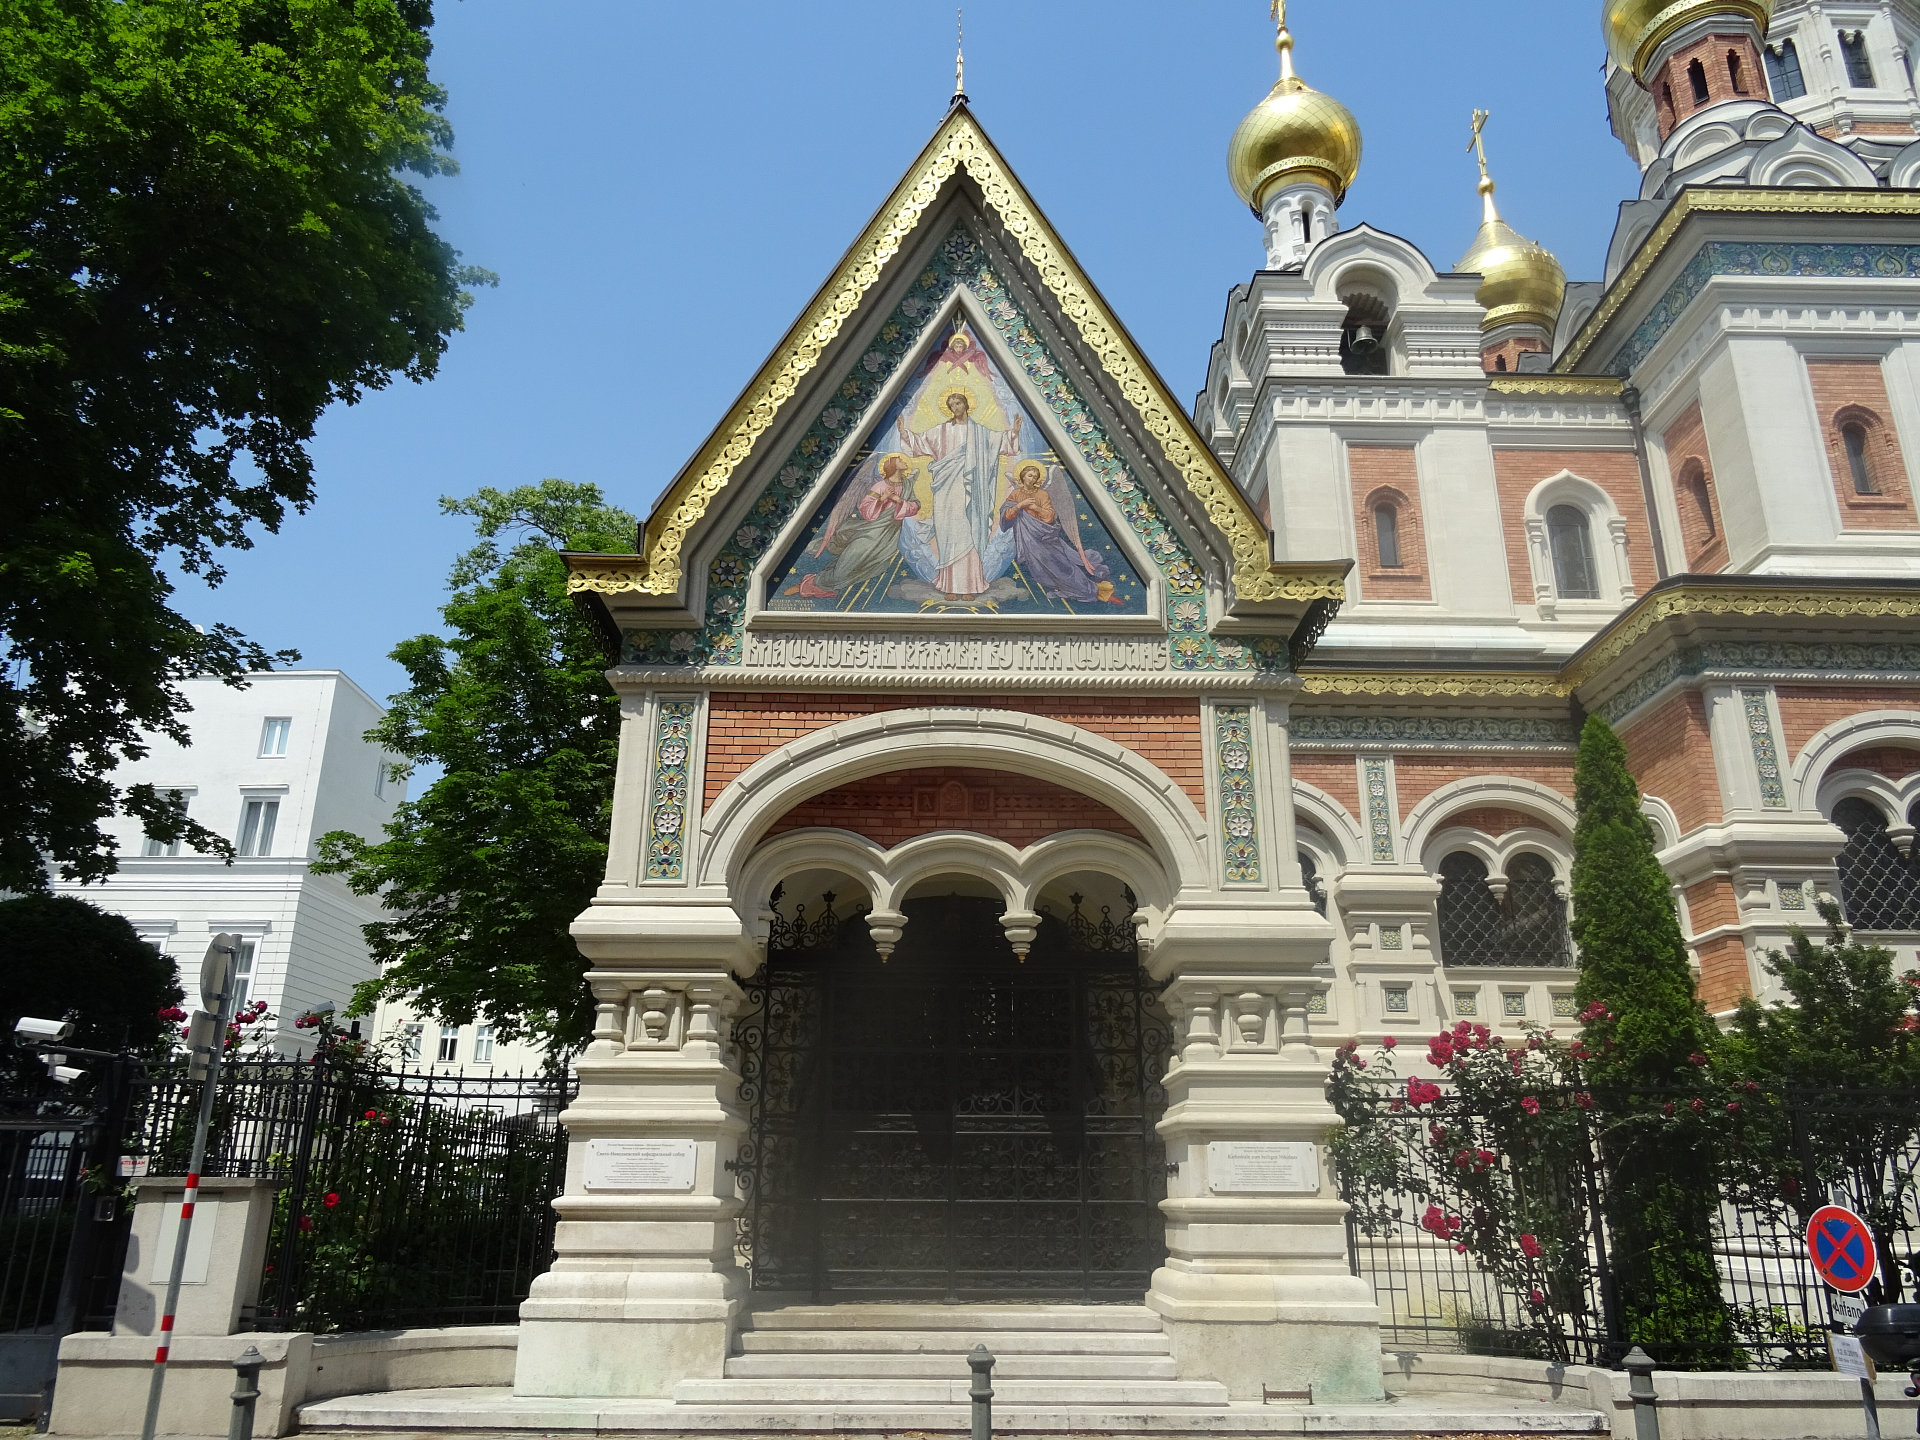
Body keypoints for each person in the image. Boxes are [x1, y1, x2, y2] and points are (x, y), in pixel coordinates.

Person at [897, 389, 1022, 598]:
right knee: (949, 533)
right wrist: (904, 432)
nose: (955, 408)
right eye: (951, 405)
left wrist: (1014, 433)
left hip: (973, 491)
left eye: (958, 403)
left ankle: (970, 586)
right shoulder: (941, 431)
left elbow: (999, 442)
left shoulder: (980, 432)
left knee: (970, 532)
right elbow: (920, 443)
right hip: (946, 491)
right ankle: (949, 586)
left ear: (966, 404)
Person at [792, 454, 920, 600]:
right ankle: (813, 583)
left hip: (888, 538)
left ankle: (822, 586)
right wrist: (883, 498)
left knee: (872, 568)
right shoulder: (880, 486)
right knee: (844, 567)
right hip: (868, 533)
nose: (904, 461)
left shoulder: (907, 485)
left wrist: (898, 500)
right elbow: (866, 512)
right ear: (892, 465)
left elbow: (915, 506)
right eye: (900, 460)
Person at [999, 460, 1116, 605]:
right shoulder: (1015, 494)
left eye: (1035, 476)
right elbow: (1006, 515)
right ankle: (1066, 589)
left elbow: (1050, 517)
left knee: (1062, 567)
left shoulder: (1042, 494)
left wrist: (1036, 508)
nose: (1032, 479)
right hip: (1029, 541)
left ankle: (1089, 589)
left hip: (1046, 538)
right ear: (1022, 476)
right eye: (1030, 475)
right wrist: (1020, 506)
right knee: (1040, 570)